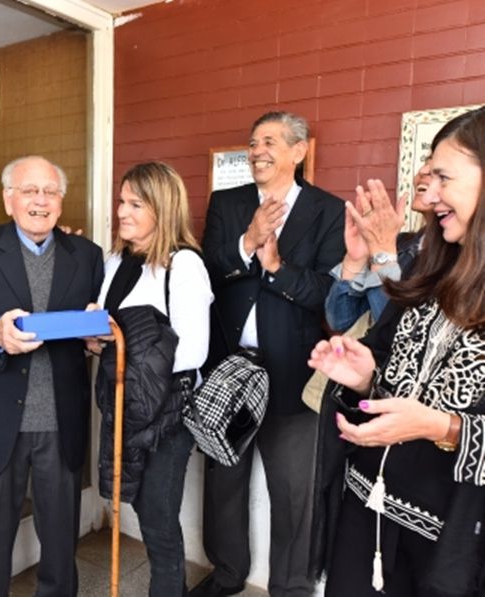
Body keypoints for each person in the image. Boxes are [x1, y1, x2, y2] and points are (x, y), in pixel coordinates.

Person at [309, 106, 485, 597]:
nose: (430, 194)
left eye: (444, 177)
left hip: (450, 545)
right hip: (367, 507)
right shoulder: (433, 269)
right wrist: (365, 376)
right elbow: (389, 360)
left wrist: (443, 427)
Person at [196, 111, 345, 597]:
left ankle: (291, 587)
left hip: (292, 375)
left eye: (269, 142)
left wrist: (276, 266)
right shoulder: (227, 203)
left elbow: (328, 294)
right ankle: (226, 574)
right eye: (253, 142)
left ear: (298, 151)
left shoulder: (328, 210)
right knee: (223, 482)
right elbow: (207, 274)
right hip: (230, 370)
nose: (257, 151)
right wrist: (247, 241)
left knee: (294, 492)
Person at [0, 155, 104, 597]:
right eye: (30, 191)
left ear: (62, 200)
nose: (40, 201)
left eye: (50, 192)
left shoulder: (86, 256)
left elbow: (92, 326)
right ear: (7, 199)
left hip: (61, 420)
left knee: (60, 543)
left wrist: (96, 339)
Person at [87, 161, 212, 596]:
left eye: (136, 204)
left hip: (168, 413)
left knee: (158, 518)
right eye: (122, 201)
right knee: (141, 505)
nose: (122, 211)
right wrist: (97, 337)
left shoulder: (183, 265)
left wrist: (122, 343)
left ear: (163, 208)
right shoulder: (116, 261)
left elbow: (192, 351)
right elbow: (106, 333)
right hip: (124, 404)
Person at [324, 162, 433, 332]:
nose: (423, 170)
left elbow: (399, 334)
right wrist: (355, 260)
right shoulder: (401, 244)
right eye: (427, 160)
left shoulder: (462, 257)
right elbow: (340, 320)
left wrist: (383, 254)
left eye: (441, 171)